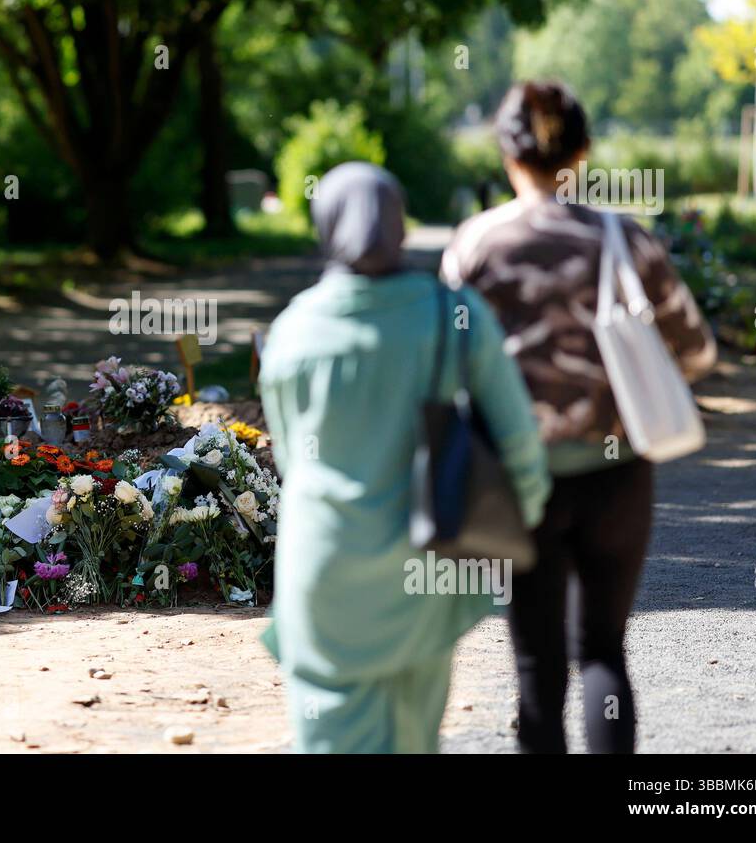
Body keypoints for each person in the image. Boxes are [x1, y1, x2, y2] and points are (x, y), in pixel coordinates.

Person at [441, 81, 717, 753]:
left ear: (508, 154)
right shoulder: (626, 240)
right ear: (583, 152)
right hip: (617, 476)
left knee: (536, 663)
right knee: (601, 651)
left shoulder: (476, 245)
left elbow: (443, 366)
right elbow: (698, 350)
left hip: (520, 480)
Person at [259, 162, 550, 753]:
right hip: (425, 562)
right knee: (413, 734)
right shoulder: (454, 315)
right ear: (400, 226)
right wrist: (527, 513)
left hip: (322, 567)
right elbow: (520, 442)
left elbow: (290, 458)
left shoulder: (290, 332)